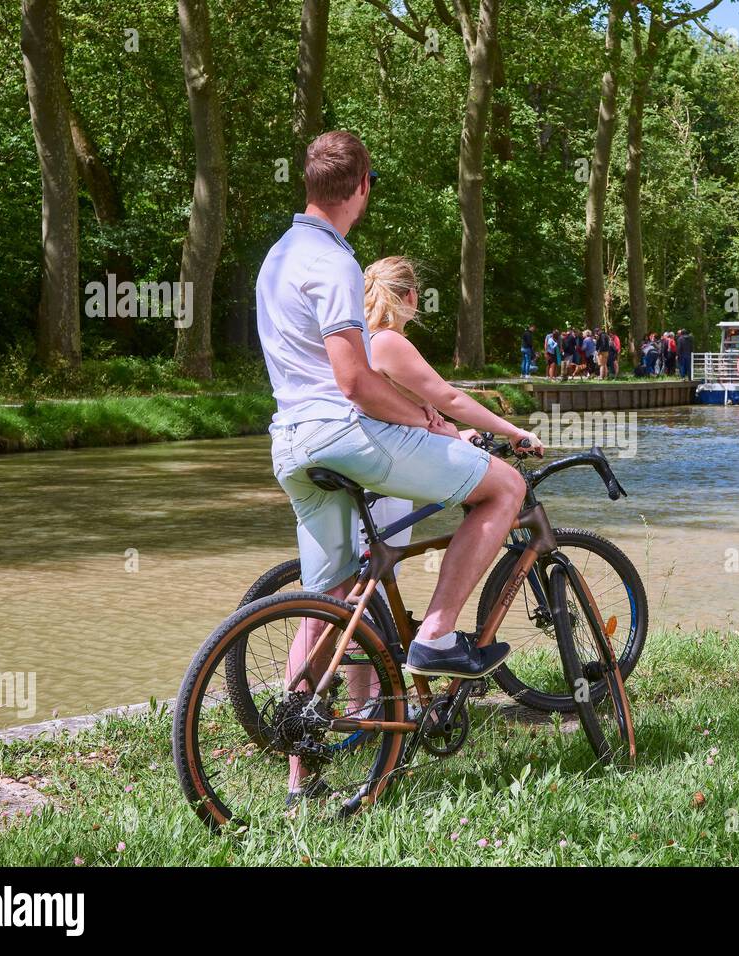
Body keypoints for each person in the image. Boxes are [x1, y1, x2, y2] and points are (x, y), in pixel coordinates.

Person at [255, 130, 534, 800]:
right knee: (503, 487)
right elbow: (353, 382)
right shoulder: (334, 260)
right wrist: (429, 422)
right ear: (361, 187)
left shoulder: (275, 257)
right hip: (341, 436)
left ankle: (301, 776)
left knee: (321, 611)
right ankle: (436, 636)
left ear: (308, 183)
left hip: (289, 443)